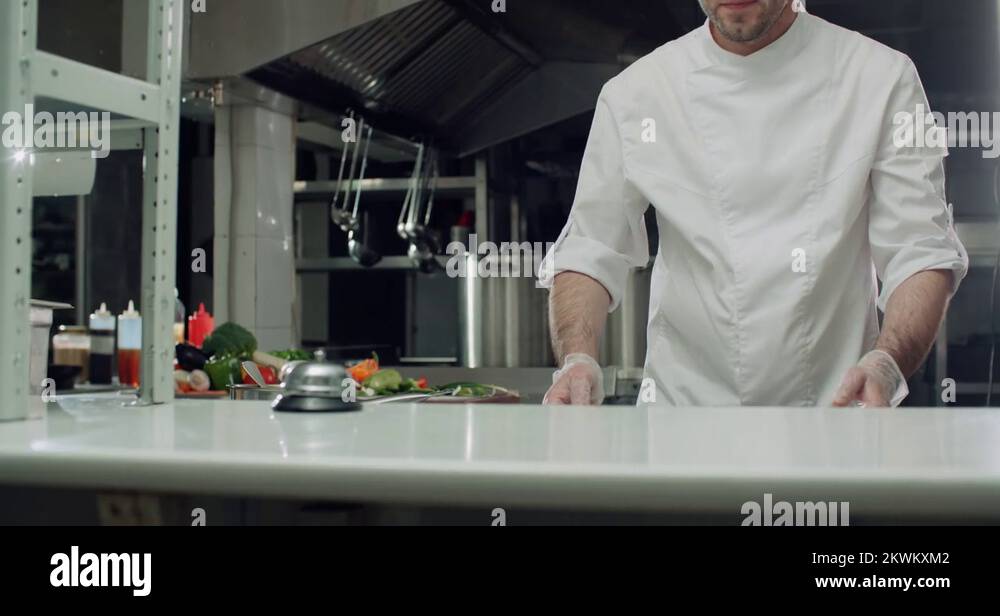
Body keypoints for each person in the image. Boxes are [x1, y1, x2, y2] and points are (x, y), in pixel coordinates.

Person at [540, 0, 968, 407]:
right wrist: (578, 359)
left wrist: (887, 363)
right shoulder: (637, 93)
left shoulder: (879, 77)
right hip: (684, 426)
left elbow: (920, 251)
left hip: (835, 419)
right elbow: (591, 249)